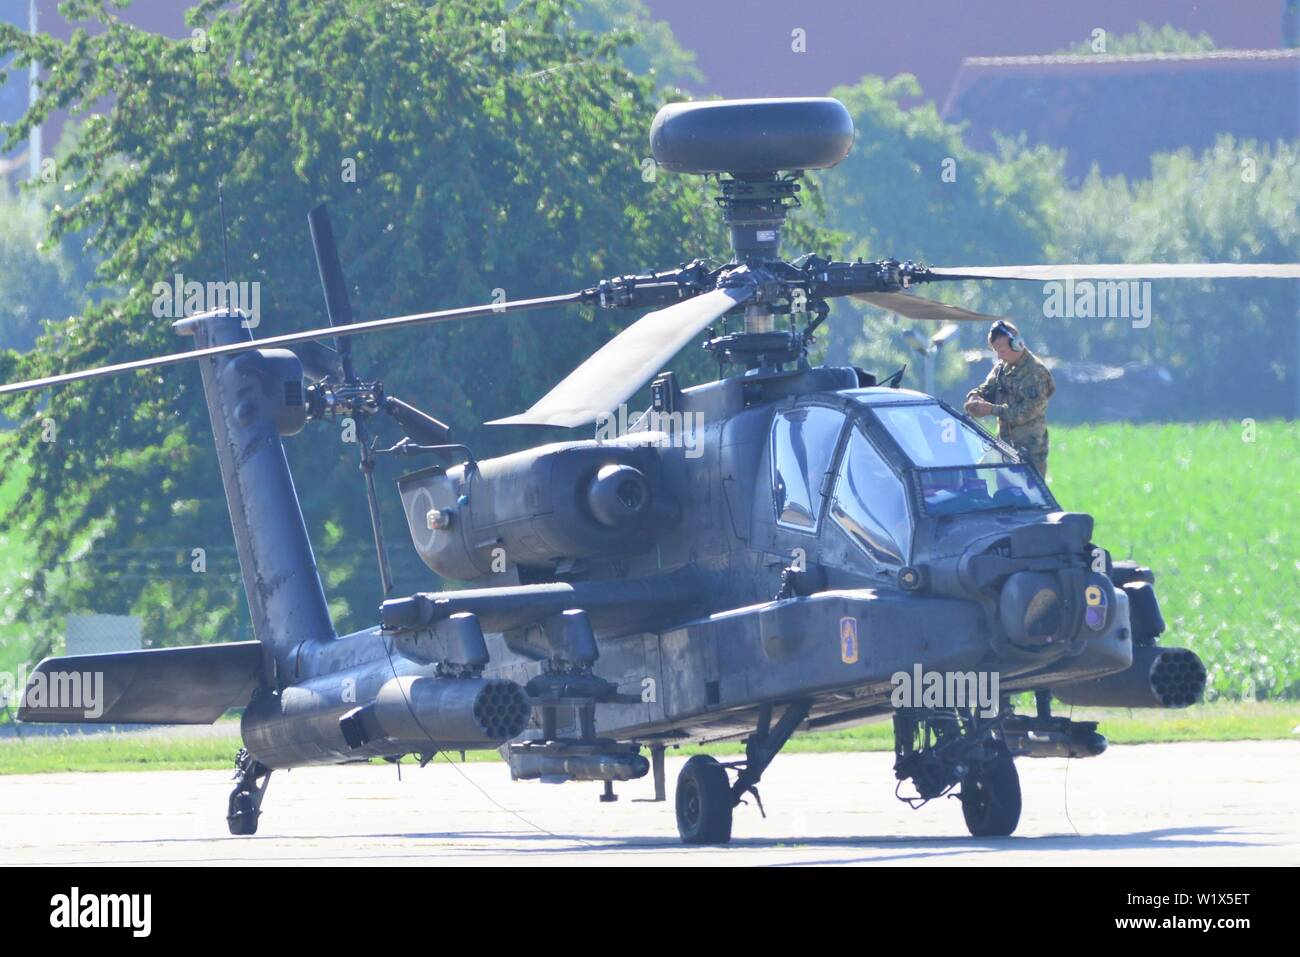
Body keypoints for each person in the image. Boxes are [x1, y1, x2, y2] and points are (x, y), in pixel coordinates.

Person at [963, 320, 1055, 477]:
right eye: (996, 351)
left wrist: (992, 409)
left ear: (1017, 345)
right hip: (1005, 449)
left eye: (1002, 351)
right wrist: (975, 398)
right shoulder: (1002, 367)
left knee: (1026, 492)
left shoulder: (1035, 373)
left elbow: (1026, 412)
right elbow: (987, 389)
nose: (999, 356)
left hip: (1030, 453)